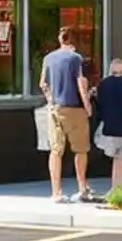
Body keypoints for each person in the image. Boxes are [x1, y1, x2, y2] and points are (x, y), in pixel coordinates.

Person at [39, 26, 93, 203]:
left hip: (55, 108)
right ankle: (82, 188)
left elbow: (43, 84)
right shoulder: (76, 58)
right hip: (75, 108)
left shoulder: (48, 58)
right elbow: (81, 84)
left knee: (55, 151)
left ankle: (56, 192)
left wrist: (51, 101)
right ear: (74, 41)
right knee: (81, 150)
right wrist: (88, 106)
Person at [96, 59, 122, 189]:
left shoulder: (102, 85)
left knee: (114, 157)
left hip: (107, 129)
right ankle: (117, 189)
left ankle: (115, 187)